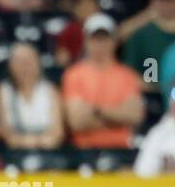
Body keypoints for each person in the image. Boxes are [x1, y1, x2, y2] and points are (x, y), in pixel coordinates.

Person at [62, 13, 145, 149]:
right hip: (84, 151)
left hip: (121, 150)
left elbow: (134, 116)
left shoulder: (127, 76)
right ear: (86, 41)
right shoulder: (73, 74)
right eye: (95, 39)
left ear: (114, 41)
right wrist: (117, 118)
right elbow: (77, 122)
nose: (100, 44)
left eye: (104, 39)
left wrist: (96, 110)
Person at [0, 43, 63, 150]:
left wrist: (38, 142)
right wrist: (30, 142)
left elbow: (57, 133)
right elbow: (6, 135)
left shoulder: (50, 89)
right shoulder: (2, 91)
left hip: (47, 151)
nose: (25, 66)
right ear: (10, 65)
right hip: (14, 152)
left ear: (38, 62)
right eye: (19, 61)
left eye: (29, 61)